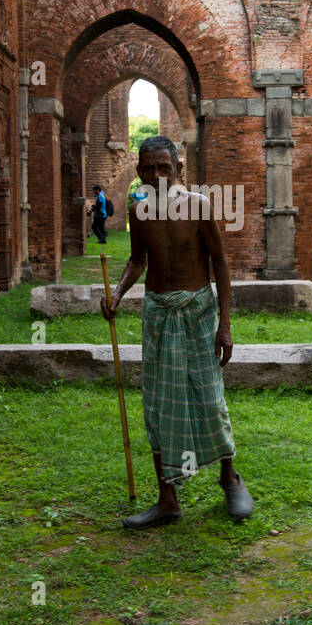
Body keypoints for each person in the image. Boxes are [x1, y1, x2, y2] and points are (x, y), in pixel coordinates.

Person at [101, 136, 253, 528]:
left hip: (199, 311)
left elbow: (219, 262)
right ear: (139, 173)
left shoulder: (199, 206)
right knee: (158, 404)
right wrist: (116, 294)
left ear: (178, 169)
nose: (157, 175)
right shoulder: (139, 211)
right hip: (158, 313)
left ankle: (228, 477)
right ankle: (167, 499)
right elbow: (138, 260)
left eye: (164, 167)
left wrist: (225, 325)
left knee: (208, 394)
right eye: (149, 168)